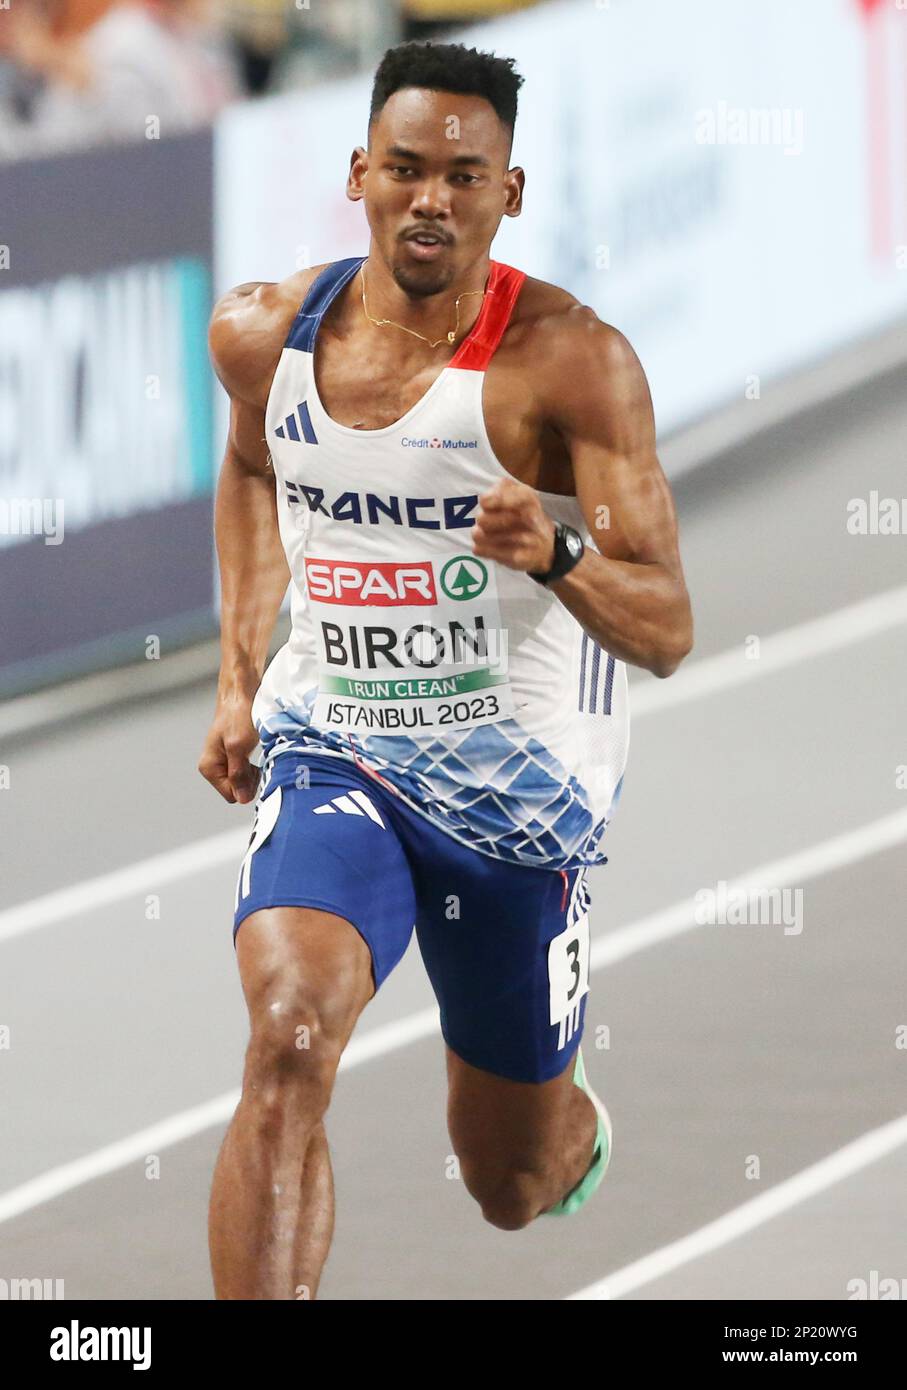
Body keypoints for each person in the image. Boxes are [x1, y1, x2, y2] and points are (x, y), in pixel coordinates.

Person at [198, 39, 693, 1300]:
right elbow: (257, 468)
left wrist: (558, 547)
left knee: (509, 1184)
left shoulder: (572, 362)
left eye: (464, 177)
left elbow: (668, 626)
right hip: (338, 748)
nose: (432, 198)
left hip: (515, 795)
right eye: (406, 169)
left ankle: (563, 1110)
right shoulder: (265, 336)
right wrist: (238, 676)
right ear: (358, 172)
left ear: (507, 194)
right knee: (288, 1036)